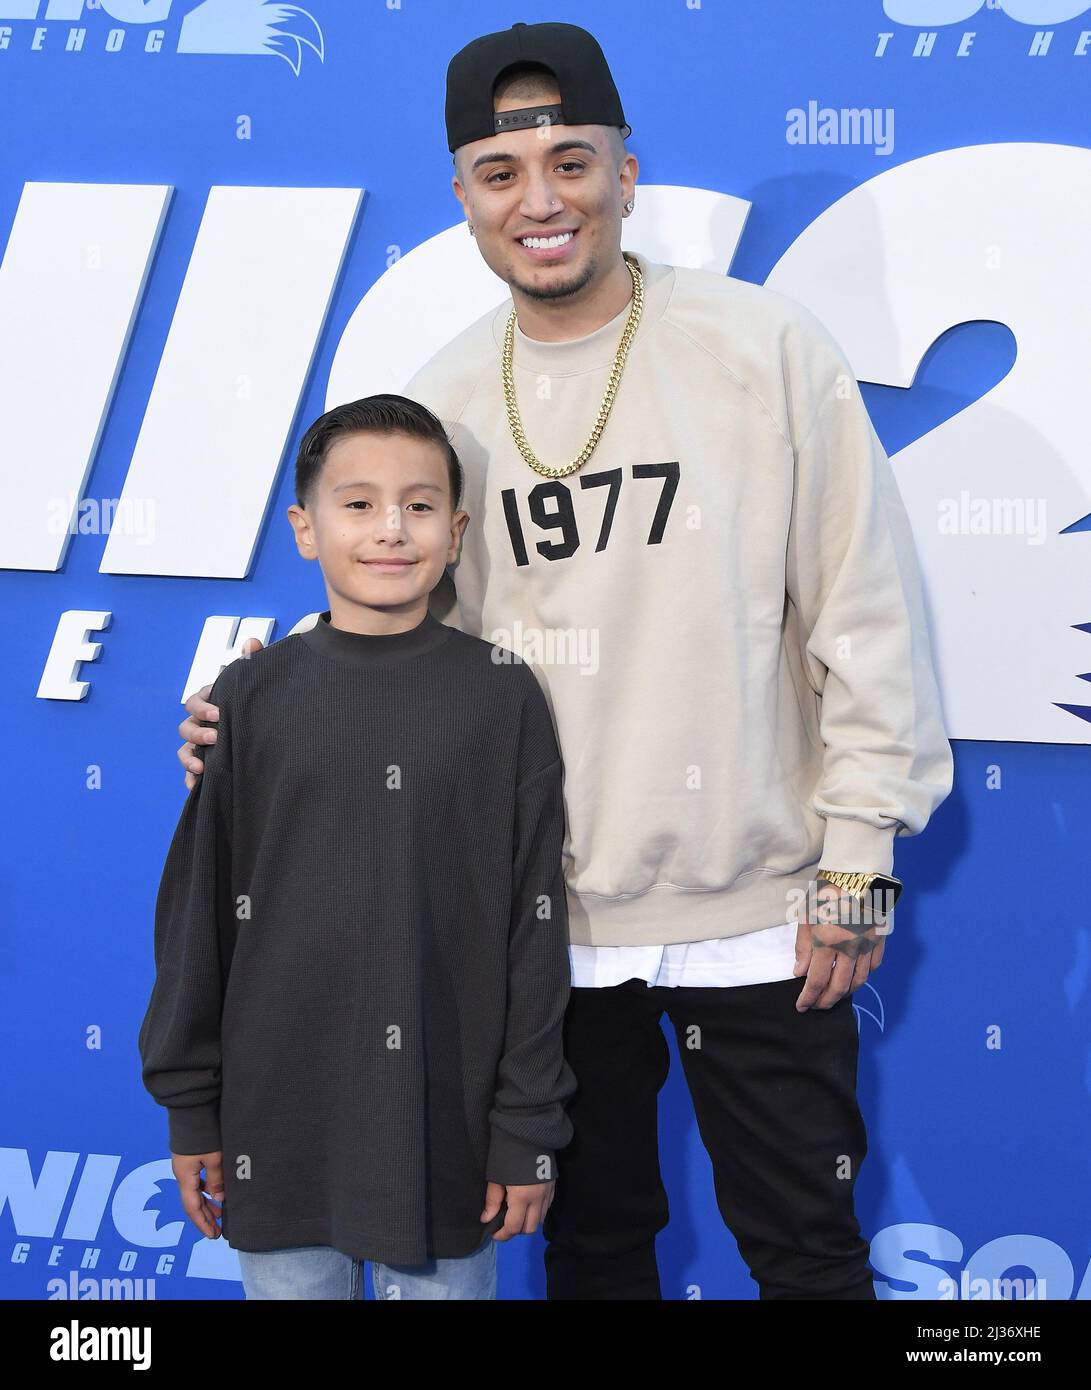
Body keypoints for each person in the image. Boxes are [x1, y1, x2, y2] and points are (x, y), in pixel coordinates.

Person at [177, 22, 954, 1300]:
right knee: (593, 1251)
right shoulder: (442, 400)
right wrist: (256, 707)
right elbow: (406, 627)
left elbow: (863, 617)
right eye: (501, 171)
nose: (539, 200)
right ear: (465, 199)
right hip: (544, 927)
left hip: (763, 914)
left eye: (569, 161)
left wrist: (858, 864)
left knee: (807, 1252)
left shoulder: (763, 350)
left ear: (624, 173)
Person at [140, 394, 576, 1300]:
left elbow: (533, 927)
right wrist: (192, 1109)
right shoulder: (248, 694)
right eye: (358, 504)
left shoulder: (502, 696)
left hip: (445, 1127)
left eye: (418, 507)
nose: (391, 530)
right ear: (304, 528)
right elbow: (197, 917)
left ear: (454, 533)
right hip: (279, 1126)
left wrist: (526, 1121)